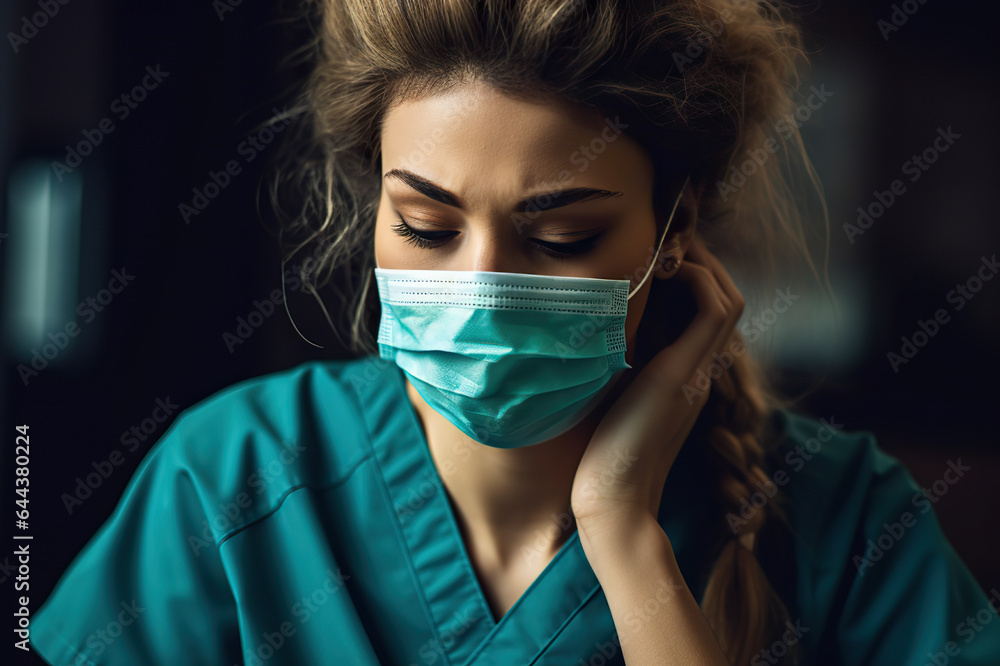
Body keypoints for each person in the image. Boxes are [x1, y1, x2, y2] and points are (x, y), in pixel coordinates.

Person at [30, 0, 1000, 664]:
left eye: (560, 236)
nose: (482, 291)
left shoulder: (852, 530)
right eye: (427, 226)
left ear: (677, 231)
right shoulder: (233, 482)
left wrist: (625, 540)